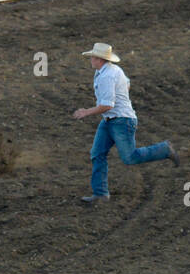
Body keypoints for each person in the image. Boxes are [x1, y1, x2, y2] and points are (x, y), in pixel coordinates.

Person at [74, 42, 180, 205]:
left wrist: (85, 112)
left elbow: (107, 104)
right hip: (111, 120)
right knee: (97, 153)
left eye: (93, 57)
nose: (91, 60)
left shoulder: (107, 76)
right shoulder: (112, 71)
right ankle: (100, 194)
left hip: (121, 121)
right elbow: (127, 83)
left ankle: (164, 149)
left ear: (100, 59)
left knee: (130, 158)